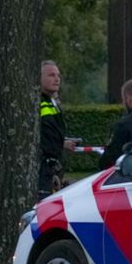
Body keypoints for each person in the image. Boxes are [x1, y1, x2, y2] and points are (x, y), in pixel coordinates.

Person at [38, 60, 75, 201]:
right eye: (51, 75)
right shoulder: (36, 102)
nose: (57, 79)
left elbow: (52, 134)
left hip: (51, 168)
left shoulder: (52, 103)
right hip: (42, 169)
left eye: (58, 75)